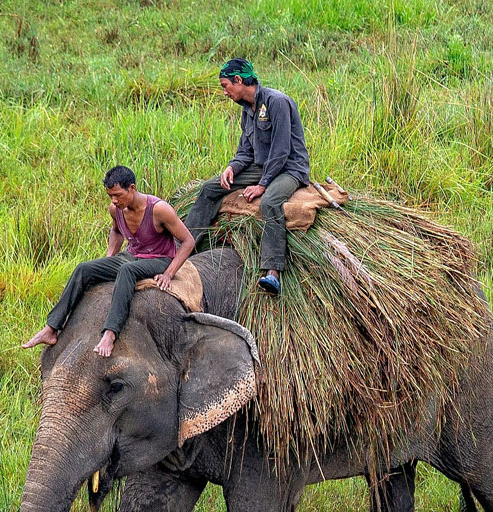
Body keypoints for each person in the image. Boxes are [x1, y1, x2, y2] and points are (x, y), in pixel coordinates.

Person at [21, 165, 197, 358]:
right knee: (84, 269)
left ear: (131, 188)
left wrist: (169, 273)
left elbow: (188, 241)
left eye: (118, 195)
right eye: (110, 196)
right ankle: (51, 328)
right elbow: (116, 231)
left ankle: (110, 333)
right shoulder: (116, 209)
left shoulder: (159, 209)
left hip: (159, 258)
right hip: (132, 254)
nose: (114, 200)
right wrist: (109, 257)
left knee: (127, 271)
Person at [184, 58, 309, 295]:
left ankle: (272, 272)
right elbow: (246, 151)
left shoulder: (277, 102)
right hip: (261, 166)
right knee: (209, 189)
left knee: (271, 202)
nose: (224, 92)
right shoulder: (247, 110)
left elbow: (281, 150)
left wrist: (262, 185)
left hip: (288, 168)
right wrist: (232, 167)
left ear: (239, 80)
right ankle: (185, 247)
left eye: (225, 85)